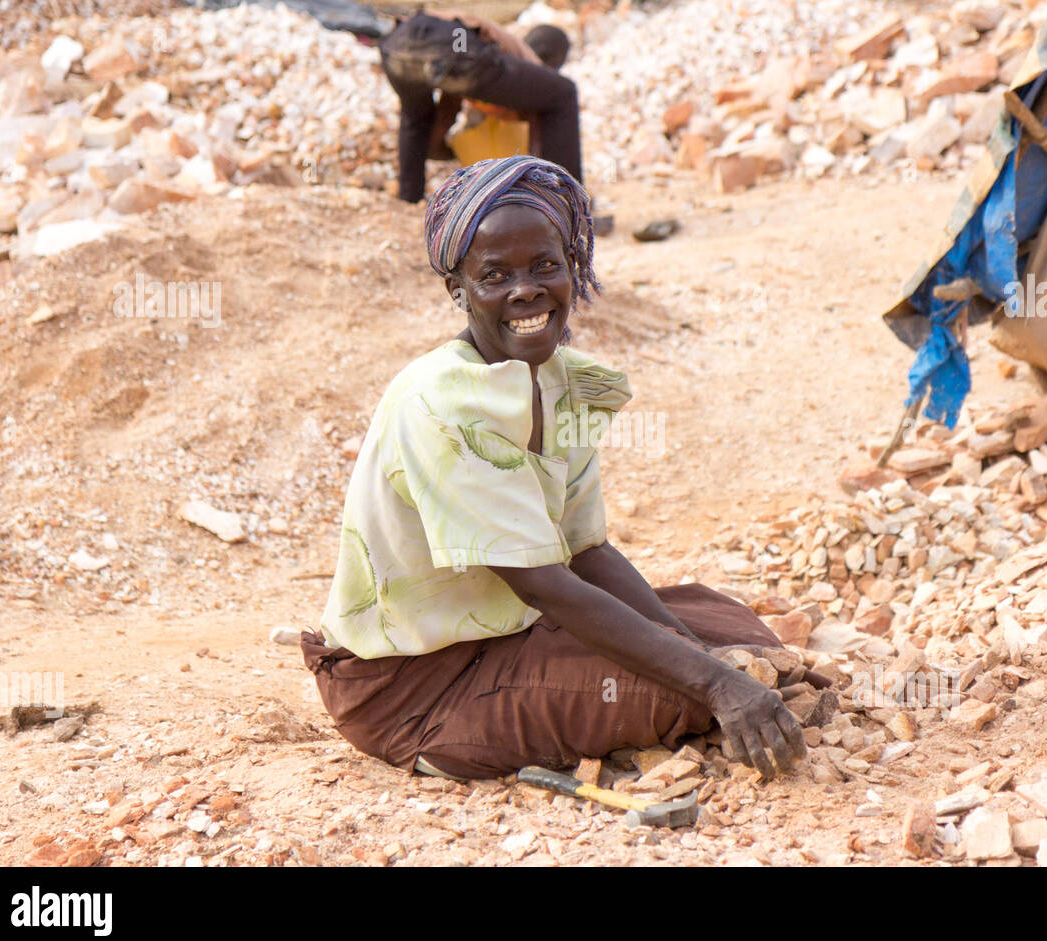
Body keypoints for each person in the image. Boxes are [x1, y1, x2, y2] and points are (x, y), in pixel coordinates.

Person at [300, 156, 806, 781]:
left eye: (545, 265)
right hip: (414, 686)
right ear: (459, 292)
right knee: (685, 691)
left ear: (574, 268)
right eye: (494, 275)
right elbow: (542, 582)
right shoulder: (440, 404)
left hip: (508, 635)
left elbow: (586, 552)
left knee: (725, 623)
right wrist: (716, 683)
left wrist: (700, 650)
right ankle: (444, 744)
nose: (526, 290)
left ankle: (672, 665)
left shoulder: (562, 381)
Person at [379, 11, 583, 204]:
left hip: (398, 46)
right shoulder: (529, 58)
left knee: (414, 118)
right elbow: (537, 121)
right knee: (563, 93)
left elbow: (453, 94)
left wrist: (437, 144)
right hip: (456, 43)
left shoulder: (492, 44)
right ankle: (569, 204)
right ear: (555, 61)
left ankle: (409, 196)